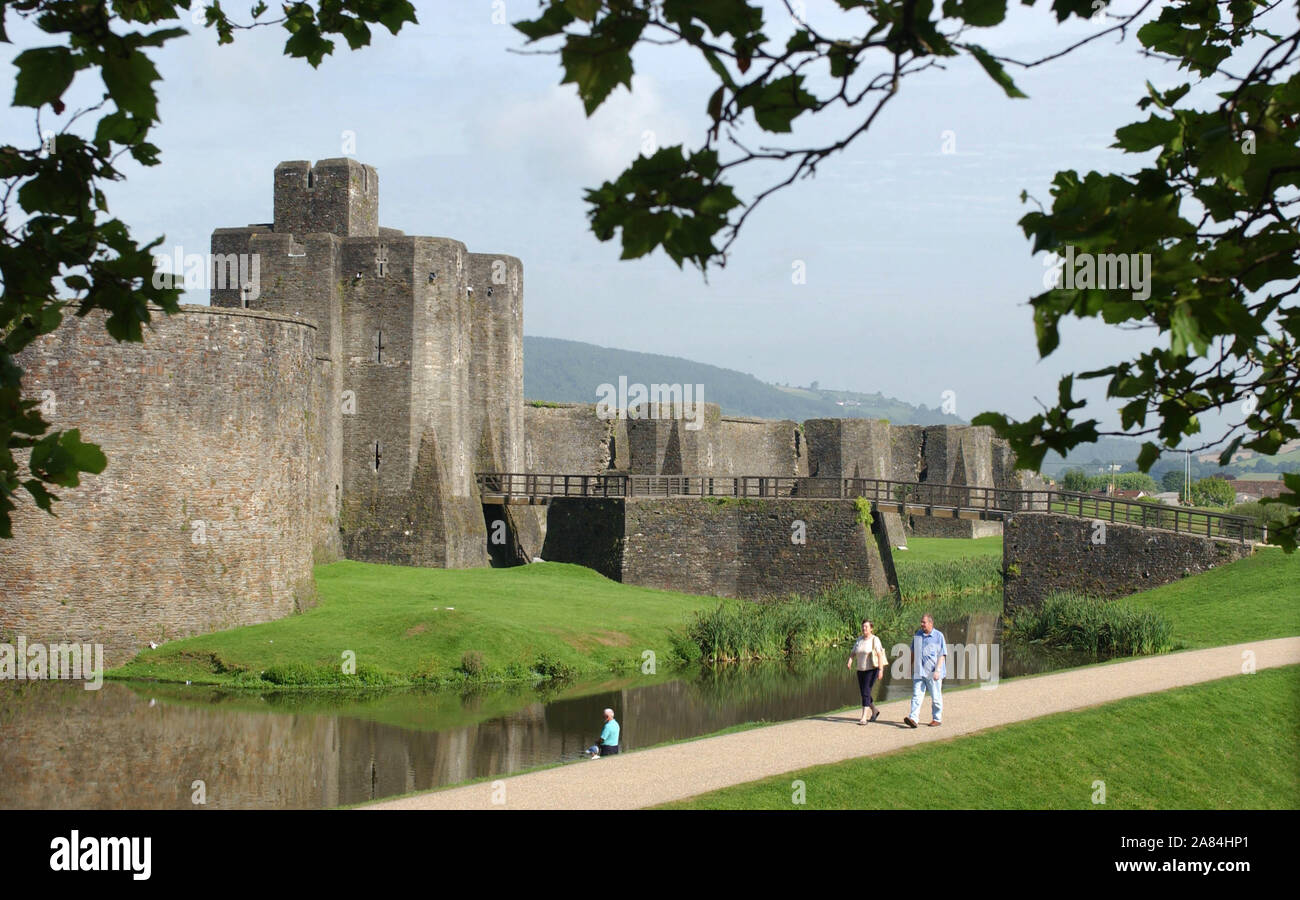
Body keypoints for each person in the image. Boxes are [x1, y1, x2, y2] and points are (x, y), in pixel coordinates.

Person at [904, 614, 946, 728]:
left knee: (936, 697)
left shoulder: (938, 636)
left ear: (931, 623)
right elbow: (913, 652)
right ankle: (913, 719)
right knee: (916, 696)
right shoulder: (918, 635)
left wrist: (937, 670)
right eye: (921, 622)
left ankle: (937, 719)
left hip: (933, 673)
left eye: (924, 622)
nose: (921, 624)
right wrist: (909, 667)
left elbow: (942, 655)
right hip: (919, 672)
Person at [846, 619, 885, 724]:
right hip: (860, 670)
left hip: (871, 670)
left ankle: (864, 717)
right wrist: (850, 660)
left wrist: (881, 670)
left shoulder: (875, 639)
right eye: (863, 626)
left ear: (871, 628)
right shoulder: (859, 640)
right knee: (864, 693)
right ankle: (875, 711)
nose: (864, 629)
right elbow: (853, 652)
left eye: (866, 627)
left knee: (866, 692)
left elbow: (880, 655)